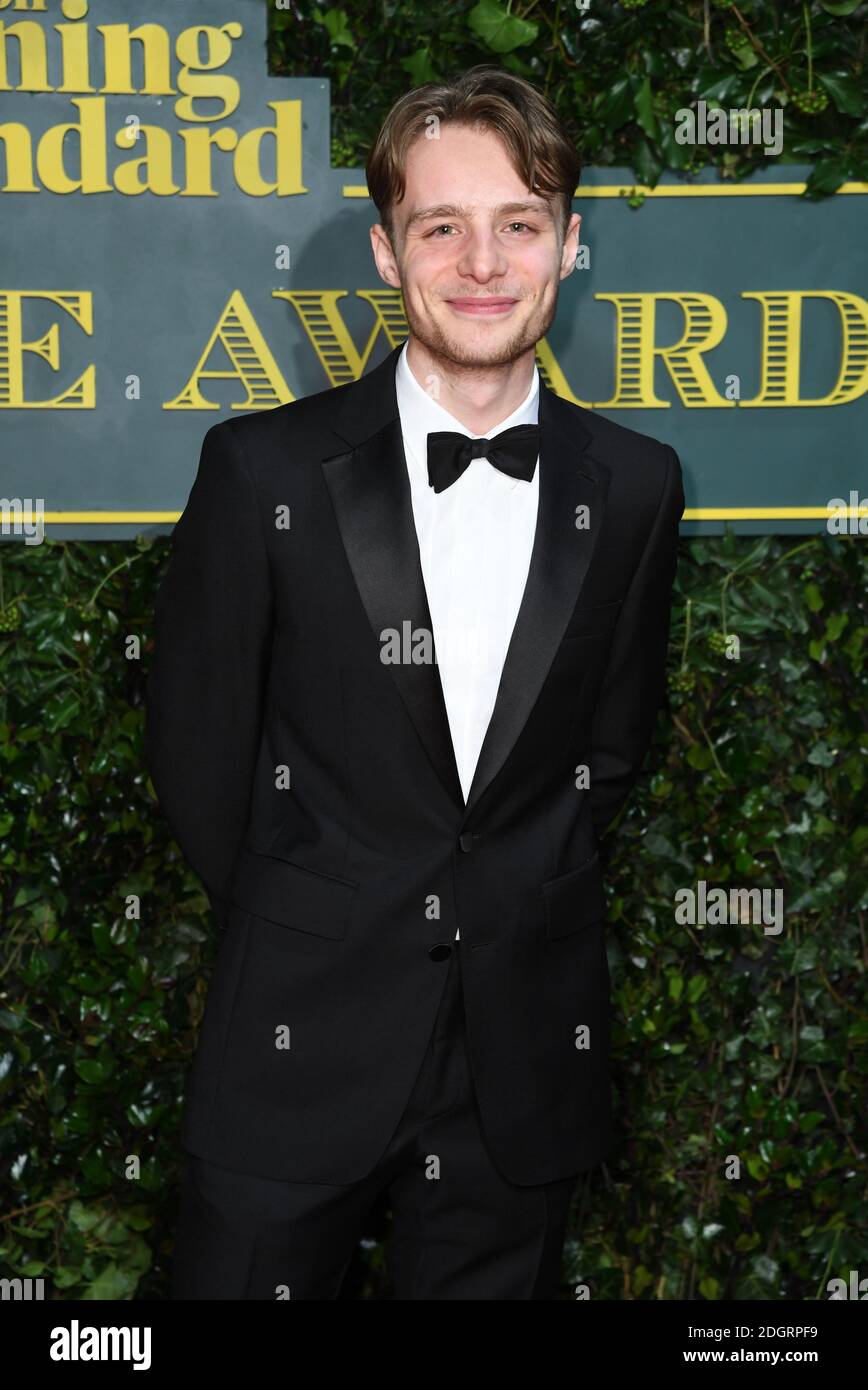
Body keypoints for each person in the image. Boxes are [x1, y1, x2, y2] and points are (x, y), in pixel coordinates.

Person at [145, 64, 684, 1300]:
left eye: (519, 224)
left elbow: (604, 756)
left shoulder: (638, 483)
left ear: (568, 249)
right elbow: (200, 754)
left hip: (517, 1065)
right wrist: (325, 910)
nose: (482, 262)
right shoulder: (261, 469)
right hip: (297, 1045)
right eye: (443, 226)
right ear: (388, 253)